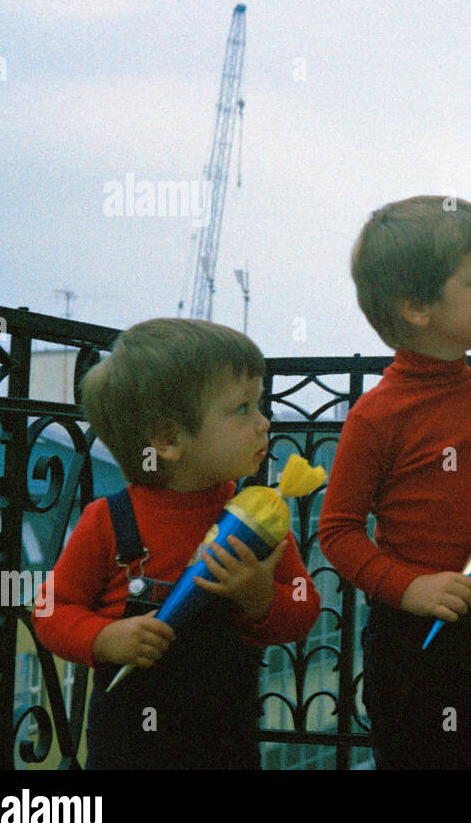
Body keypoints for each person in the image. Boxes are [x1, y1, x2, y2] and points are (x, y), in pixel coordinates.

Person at [318, 196, 471, 769]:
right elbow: (338, 532)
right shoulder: (375, 415)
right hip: (409, 632)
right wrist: (408, 588)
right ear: (419, 307)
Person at [34, 319, 321, 769]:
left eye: (258, 403)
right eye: (242, 408)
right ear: (169, 440)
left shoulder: (258, 519)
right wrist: (105, 638)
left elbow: (304, 610)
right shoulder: (108, 521)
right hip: (129, 750)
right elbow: (52, 609)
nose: (264, 422)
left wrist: (261, 597)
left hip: (225, 747)